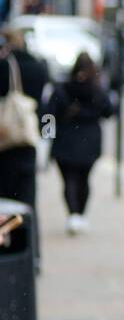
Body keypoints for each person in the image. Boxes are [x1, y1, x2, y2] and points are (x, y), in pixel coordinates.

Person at [43, 52, 115, 234]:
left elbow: (48, 115)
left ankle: (73, 214)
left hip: (65, 140)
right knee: (83, 179)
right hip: (89, 141)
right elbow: (109, 111)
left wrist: (47, 136)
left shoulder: (61, 89)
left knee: (69, 180)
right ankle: (79, 215)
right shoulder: (97, 90)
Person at [0, 25, 50, 211]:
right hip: (29, 140)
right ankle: (28, 237)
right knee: (27, 201)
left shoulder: (4, 68)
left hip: (5, 142)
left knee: (4, 202)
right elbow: (47, 110)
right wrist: (47, 138)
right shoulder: (39, 68)